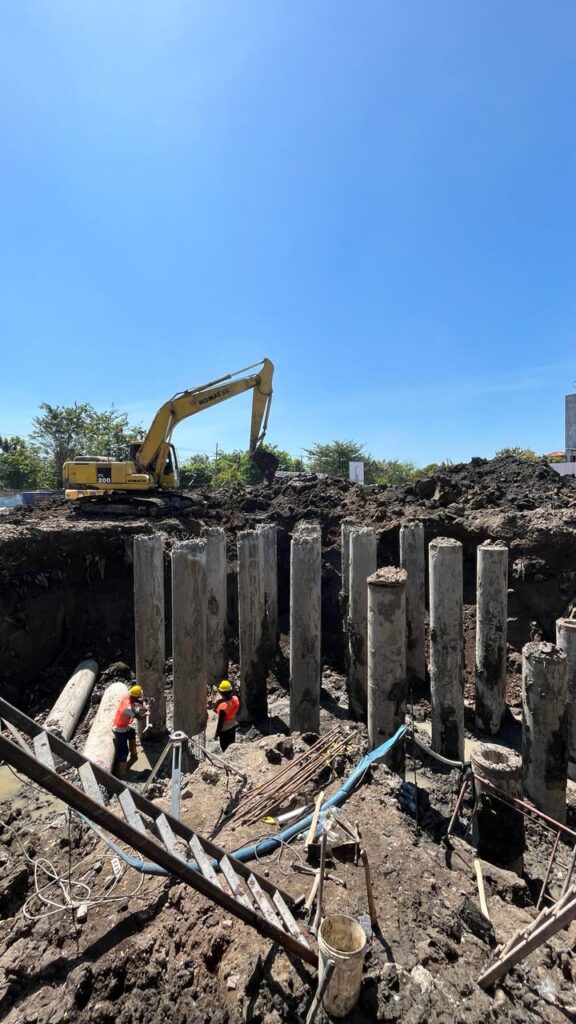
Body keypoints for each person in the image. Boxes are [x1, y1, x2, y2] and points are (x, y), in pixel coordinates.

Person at [112, 684, 149, 775]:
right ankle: (122, 771)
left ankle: (134, 754)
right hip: (119, 730)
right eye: (139, 696)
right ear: (135, 696)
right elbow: (139, 717)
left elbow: (136, 703)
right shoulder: (128, 708)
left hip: (123, 727)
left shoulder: (127, 697)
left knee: (132, 732)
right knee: (123, 751)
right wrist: (146, 712)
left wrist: (143, 704)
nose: (140, 697)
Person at [214, 680, 240, 752]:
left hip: (225, 731)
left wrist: (217, 734)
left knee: (225, 748)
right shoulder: (235, 699)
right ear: (231, 690)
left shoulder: (222, 707)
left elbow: (220, 723)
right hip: (233, 727)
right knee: (232, 747)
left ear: (221, 692)